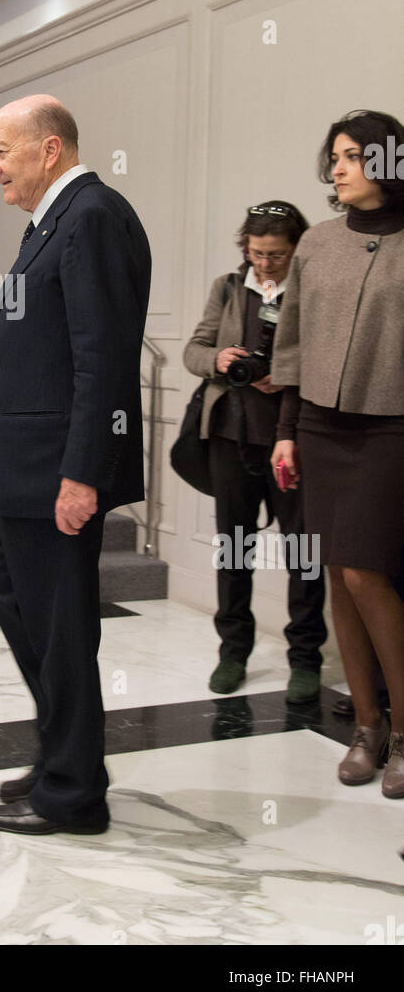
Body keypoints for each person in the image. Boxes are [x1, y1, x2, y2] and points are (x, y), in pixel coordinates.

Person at [0, 94, 151, 836]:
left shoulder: (93, 218)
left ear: (48, 150)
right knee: (14, 592)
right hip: (28, 470)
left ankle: (74, 794)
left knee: (62, 629)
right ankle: (59, 758)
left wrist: (84, 473)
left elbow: (100, 357)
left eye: (1, 151)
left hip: (55, 473)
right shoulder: (56, 221)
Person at [270, 110, 404, 798]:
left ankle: (403, 731)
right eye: (335, 158)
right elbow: (289, 343)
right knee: (337, 575)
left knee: (367, 575)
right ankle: (367, 727)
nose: (339, 169)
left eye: (352, 156)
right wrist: (288, 429)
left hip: (390, 429)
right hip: (320, 426)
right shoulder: (318, 244)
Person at [183, 202, 326, 701]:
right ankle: (233, 651)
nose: (264, 264)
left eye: (277, 255)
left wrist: (284, 375)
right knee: (234, 549)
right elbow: (193, 351)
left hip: (294, 442)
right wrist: (219, 359)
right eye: (256, 253)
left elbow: (326, 362)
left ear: (297, 250)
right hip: (231, 438)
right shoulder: (227, 287)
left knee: (304, 553)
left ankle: (306, 658)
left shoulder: (311, 291)